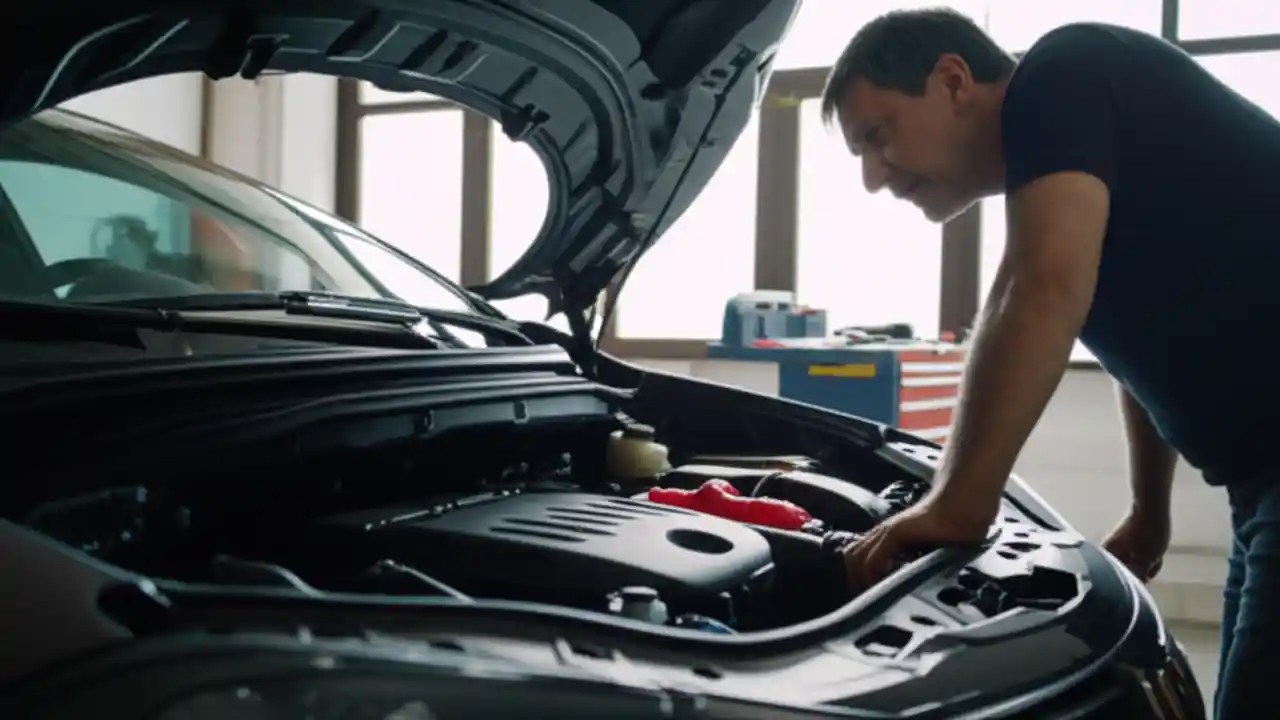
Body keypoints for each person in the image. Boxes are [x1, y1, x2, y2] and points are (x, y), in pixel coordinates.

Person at [819, 9, 1280, 719]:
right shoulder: (1075, 183)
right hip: (1258, 486)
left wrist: (959, 503)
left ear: (952, 80)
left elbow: (1037, 288)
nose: (873, 179)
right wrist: (1150, 514)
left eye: (876, 137)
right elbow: (1139, 350)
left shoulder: (1065, 71)